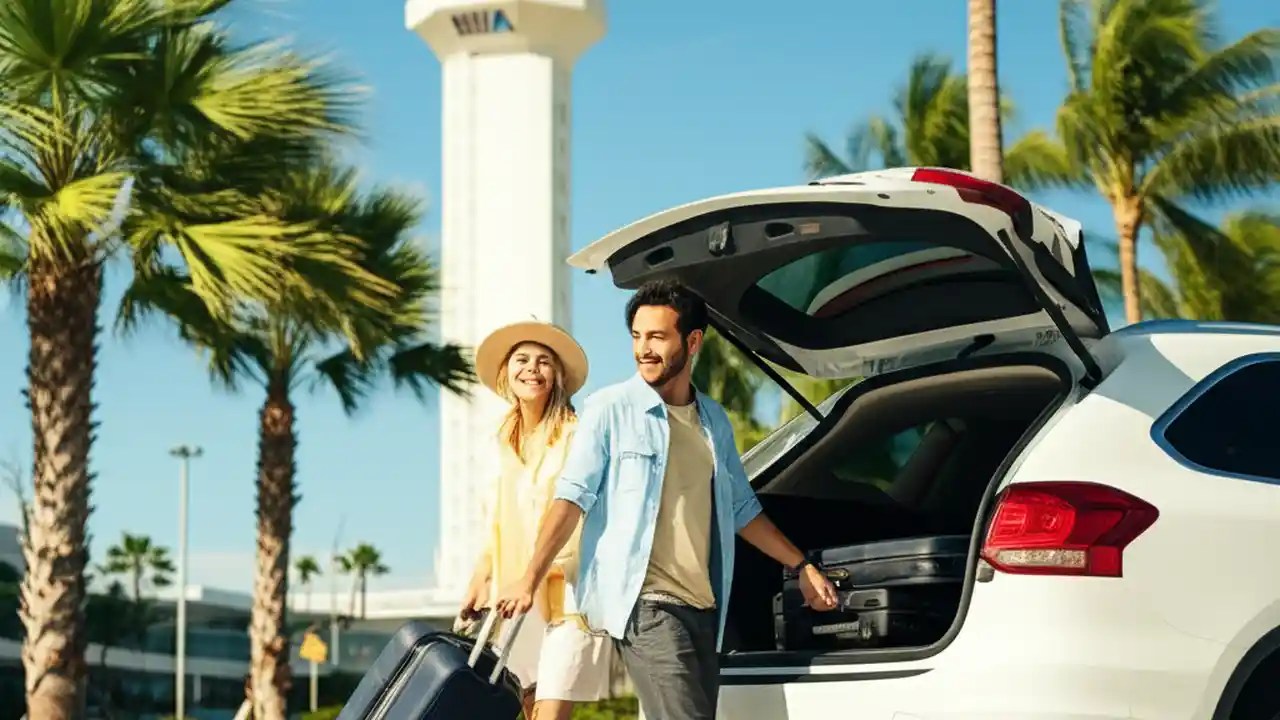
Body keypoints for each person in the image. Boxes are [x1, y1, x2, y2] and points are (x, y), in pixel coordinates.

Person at [495, 280, 839, 720]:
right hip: (646, 605)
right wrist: (529, 578)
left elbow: (741, 508)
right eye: (637, 337)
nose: (643, 349)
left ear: (692, 341)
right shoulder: (609, 409)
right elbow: (571, 498)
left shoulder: (713, 420)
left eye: (657, 337)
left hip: (704, 609)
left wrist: (800, 565)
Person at [459, 320, 614, 720]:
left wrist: (533, 576)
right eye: (522, 360)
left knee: (550, 711)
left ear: (558, 375)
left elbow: (576, 518)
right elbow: (500, 521)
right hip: (516, 602)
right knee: (526, 705)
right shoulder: (504, 442)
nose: (532, 369)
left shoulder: (576, 437)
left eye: (544, 362)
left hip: (569, 594)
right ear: (506, 373)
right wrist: (481, 580)